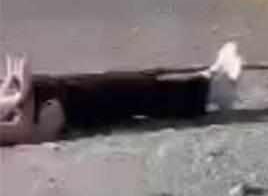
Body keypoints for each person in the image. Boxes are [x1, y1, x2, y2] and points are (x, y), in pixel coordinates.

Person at [0, 42, 243, 147]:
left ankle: (206, 82)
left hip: (53, 97)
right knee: (129, 94)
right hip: (56, 112)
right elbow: (22, 131)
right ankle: (211, 92)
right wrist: (21, 94)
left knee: (125, 84)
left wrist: (12, 84)